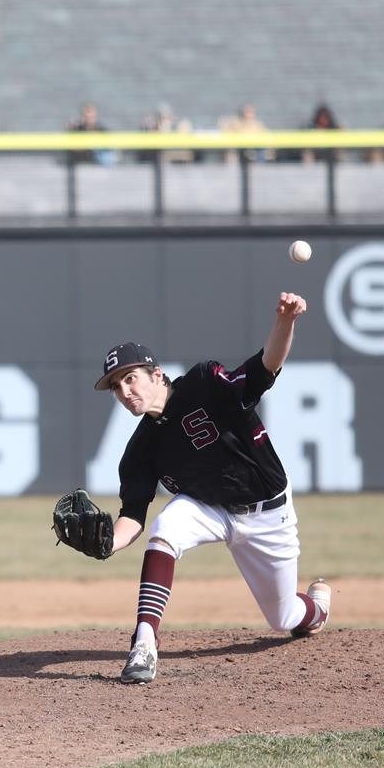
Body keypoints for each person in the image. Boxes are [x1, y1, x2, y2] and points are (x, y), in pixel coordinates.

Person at [93, 292, 330, 684]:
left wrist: (286, 321)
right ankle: (145, 643)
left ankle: (317, 608)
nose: (124, 392)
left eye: (129, 379)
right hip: (209, 510)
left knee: (283, 617)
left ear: (156, 374)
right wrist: (107, 544)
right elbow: (132, 516)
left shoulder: (204, 382)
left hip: (267, 512)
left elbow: (262, 370)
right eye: (116, 387)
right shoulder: (139, 450)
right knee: (166, 528)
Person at [66, 101, 117, 166]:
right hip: (83, 163)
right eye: (87, 113)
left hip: (99, 162)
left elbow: (109, 146)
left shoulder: (102, 129)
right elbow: (74, 148)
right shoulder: (78, 129)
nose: (89, 116)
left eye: (91, 113)